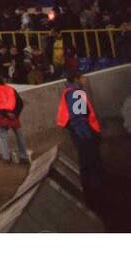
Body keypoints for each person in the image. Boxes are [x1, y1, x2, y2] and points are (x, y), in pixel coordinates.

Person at [56, 73, 102, 201]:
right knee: (89, 162)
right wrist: (87, 135)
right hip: (83, 134)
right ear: (76, 79)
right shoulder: (75, 93)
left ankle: (92, 193)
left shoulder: (72, 91)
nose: (85, 80)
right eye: (83, 77)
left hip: (81, 133)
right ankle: (94, 193)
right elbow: (78, 117)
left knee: (87, 163)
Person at [0, 74, 29, 164]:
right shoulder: (12, 89)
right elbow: (20, 103)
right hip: (14, 117)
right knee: (19, 137)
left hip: (2, 117)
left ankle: (6, 157)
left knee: (3, 138)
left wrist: (6, 114)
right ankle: (23, 156)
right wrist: (15, 114)